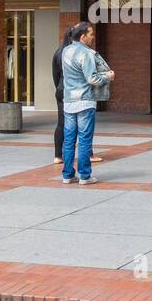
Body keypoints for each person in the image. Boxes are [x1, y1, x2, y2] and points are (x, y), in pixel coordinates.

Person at [61, 21, 113, 185]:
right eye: (90, 34)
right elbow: (93, 78)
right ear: (83, 36)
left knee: (69, 140)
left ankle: (68, 175)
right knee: (84, 140)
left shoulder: (66, 51)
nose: (92, 37)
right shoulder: (87, 53)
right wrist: (108, 76)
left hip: (69, 100)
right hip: (84, 101)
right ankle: (85, 175)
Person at [52, 27, 72, 164]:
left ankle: (58, 156)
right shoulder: (77, 52)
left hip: (61, 89)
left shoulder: (58, 52)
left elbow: (55, 75)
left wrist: (59, 86)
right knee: (82, 123)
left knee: (61, 123)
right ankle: (88, 154)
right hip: (72, 91)